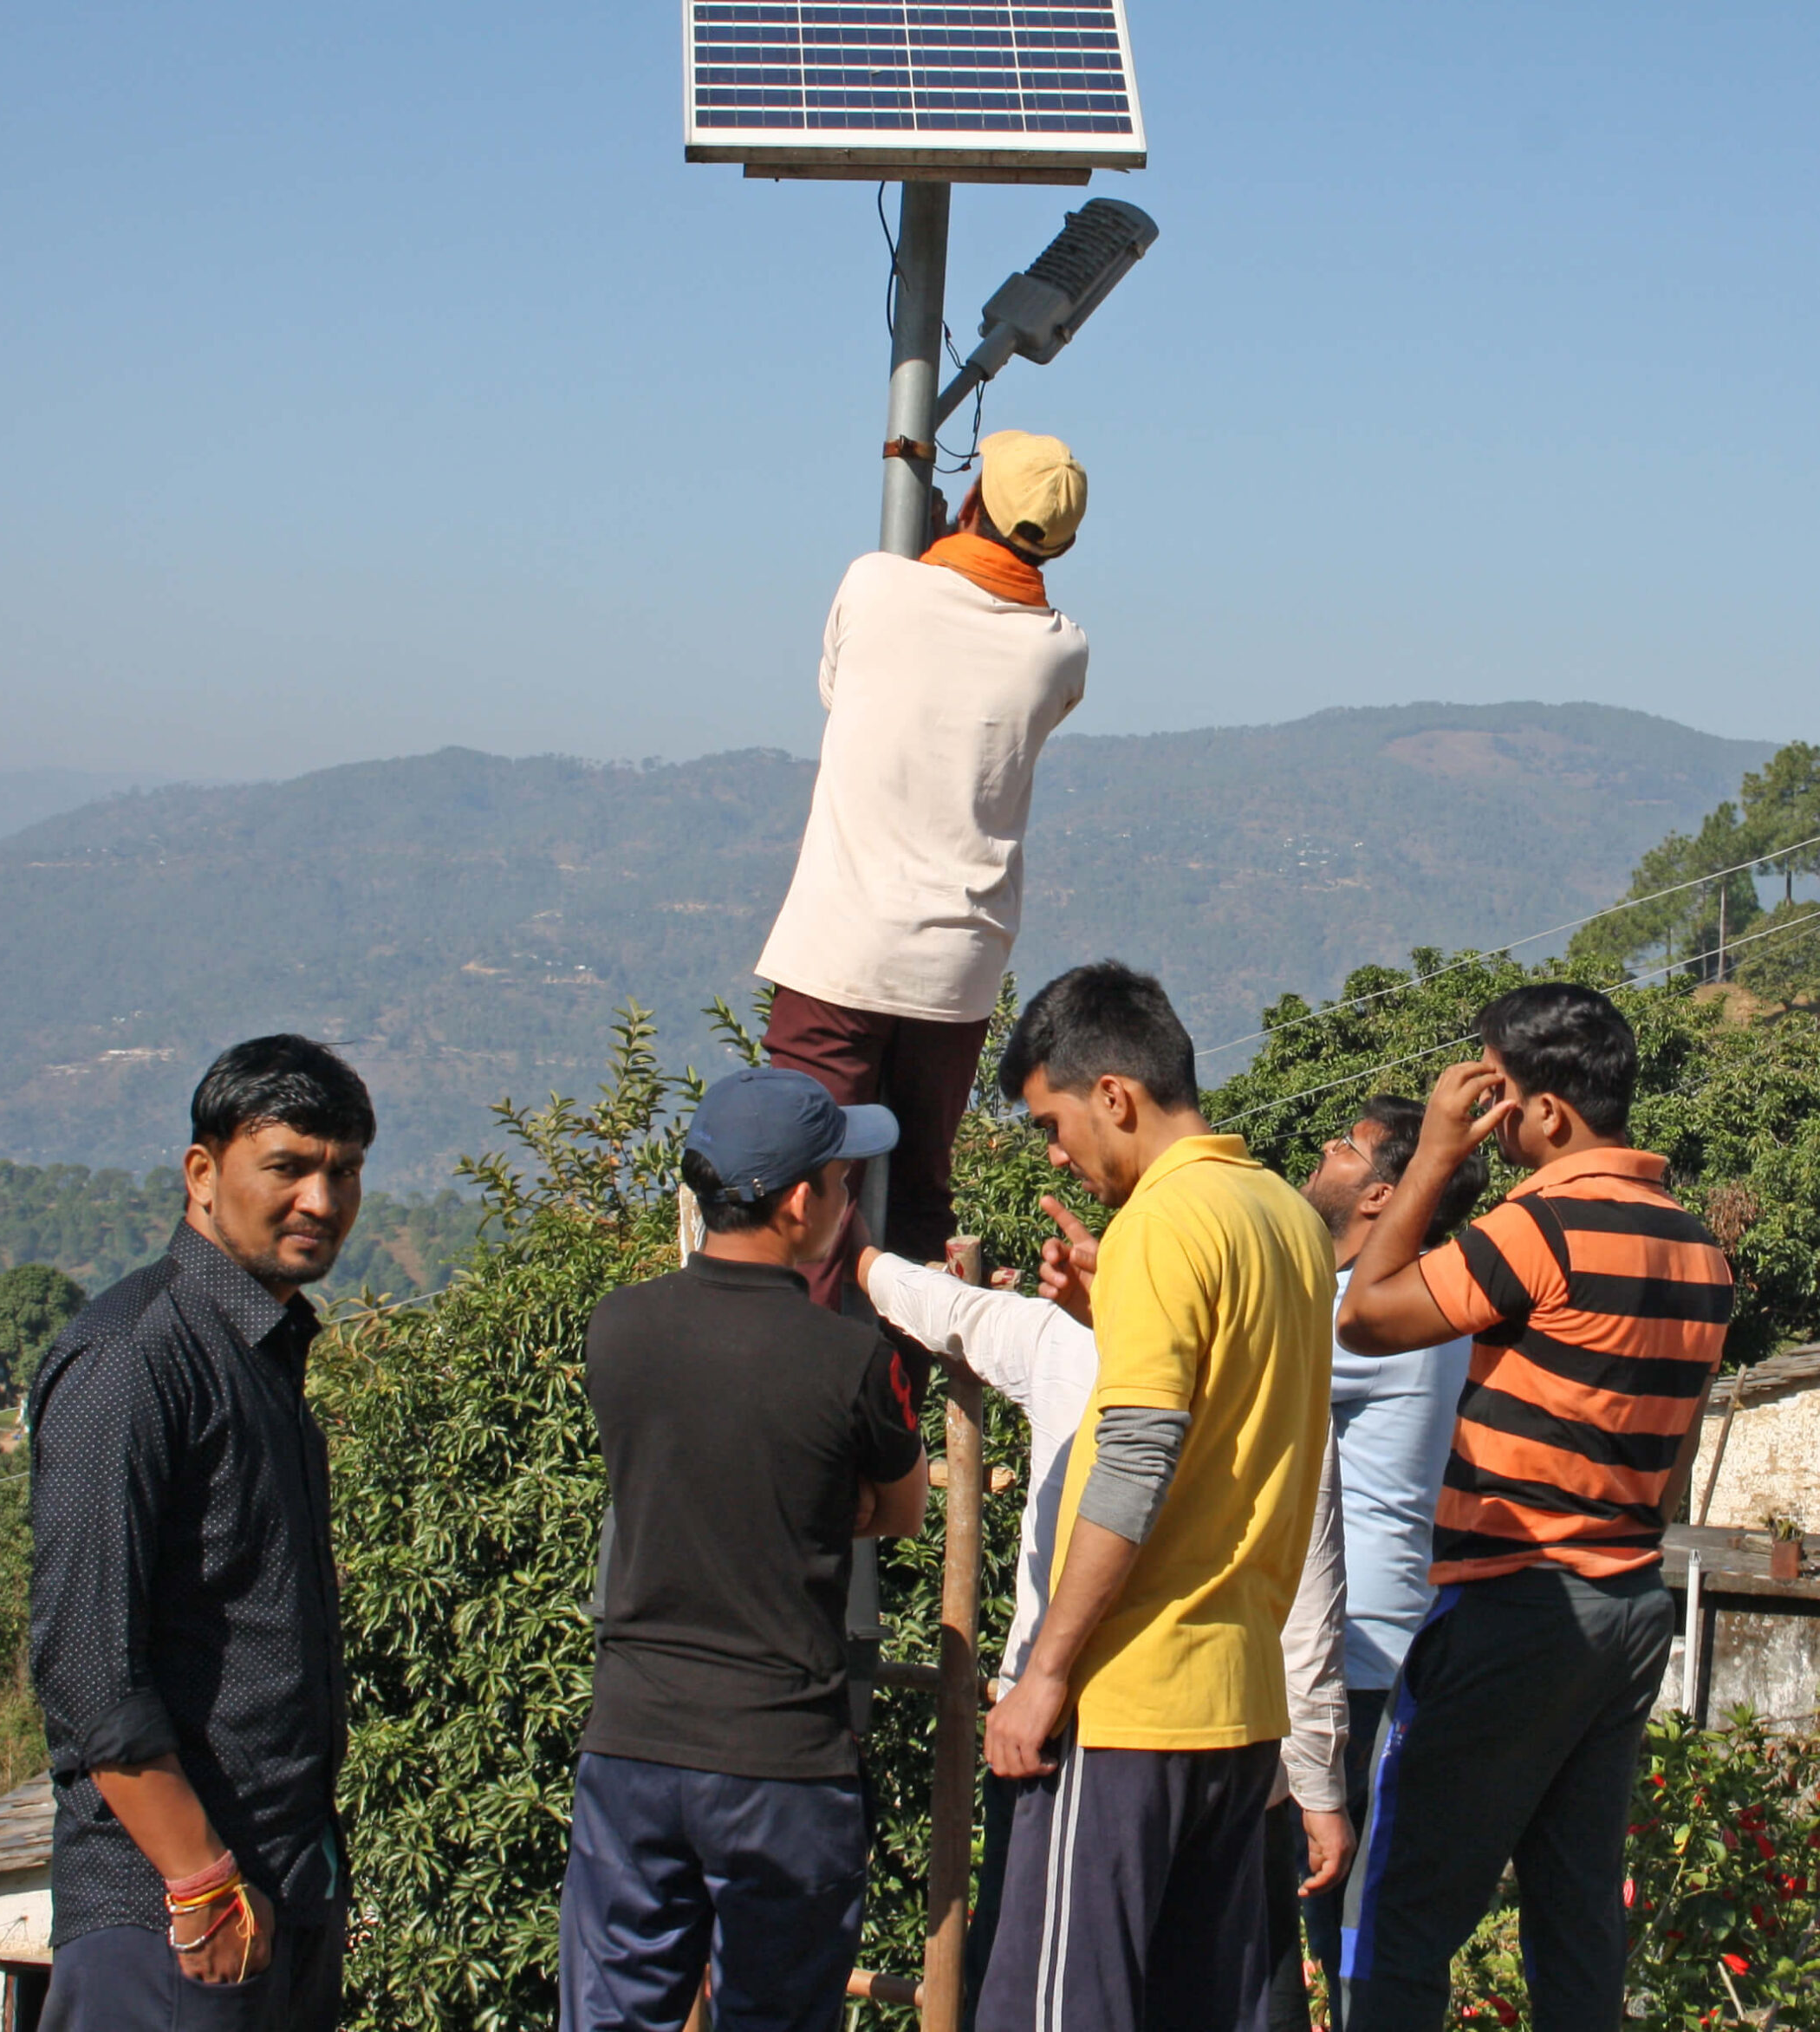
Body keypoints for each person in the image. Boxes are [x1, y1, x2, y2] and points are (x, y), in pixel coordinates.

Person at [1336, 983, 1732, 2032]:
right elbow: (1673, 1464)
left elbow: (1367, 1316)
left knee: (1400, 1913)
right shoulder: (1696, 1245)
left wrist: (1429, 1159)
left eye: (1495, 1092)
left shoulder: (1540, 1226)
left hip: (1514, 1602)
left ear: (1547, 1112)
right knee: (1575, 1916)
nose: (1485, 1113)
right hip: (1629, 1604)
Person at [860, 1237, 1351, 2032]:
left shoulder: (1061, 1342)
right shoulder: (1283, 1381)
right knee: (1222, 1997)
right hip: (1234, 1736)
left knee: (1054, 1993)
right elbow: (1308, 1604)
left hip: (1076, 1733)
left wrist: (855, 1253)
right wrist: (1318, 1787)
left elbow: (944, 1309)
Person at [972, 961, 1337, 2032]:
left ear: (1114, 1095)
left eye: (1052, 1123)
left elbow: (1137, 1460)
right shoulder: (1285, 1216)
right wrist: (1114, 1315)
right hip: (1239, 1708)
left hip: (1129, 1698)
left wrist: (1045, 1673)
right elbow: (1237, 1415)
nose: (1055, 1153)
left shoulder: (1160, 1224)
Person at [559, 1065, 929, 2032]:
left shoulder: (617, 1326)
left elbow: (662, 1473)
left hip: (631, 1743)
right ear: (801, 1202)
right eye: (842, 1181)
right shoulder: (851, 1360)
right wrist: (821, 1502)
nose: (846, 1199)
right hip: (782, 1759)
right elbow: (902, 1510)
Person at [29, 1035, 375, 2032]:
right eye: (288, 1166)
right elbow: (86, 1666)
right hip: (170, 1920)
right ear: (201, 1172)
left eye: (344, 1170)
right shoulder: (134, 1356)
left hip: (280, 1900)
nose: (321, 1199)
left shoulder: (259, 1350)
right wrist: (201, 1881)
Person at [756, 430, 1091, 1312]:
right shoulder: (1061, 647)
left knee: (802, 1181)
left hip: (840, 947)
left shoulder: (875, 581)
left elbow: (842, 693)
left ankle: (817, 1380)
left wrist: (930, 554)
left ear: (972, 501)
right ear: (1060, 544)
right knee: (915, 1197)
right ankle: (898, 1376)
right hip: (958, 966)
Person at [1295, 1097, 1490, 2031]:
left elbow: (1221, 1365)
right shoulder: (1425, 1298)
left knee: (1342, 1929)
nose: (1323, 1151)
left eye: (1345, 1145)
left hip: (1352, 1653)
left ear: (1379, 1193)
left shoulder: (1359, 1316)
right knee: (1349, 1925)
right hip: (1384, 1640)